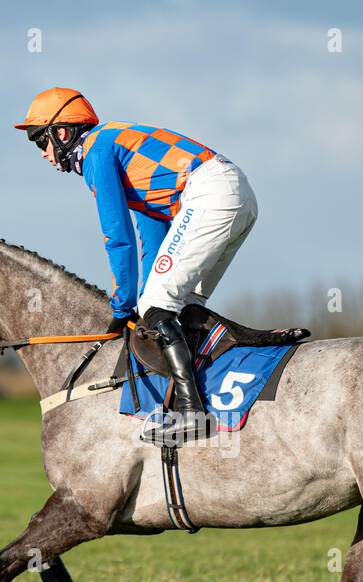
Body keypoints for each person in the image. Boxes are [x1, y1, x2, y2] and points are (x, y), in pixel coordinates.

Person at [14, 87, 259, 444]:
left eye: (41, 142)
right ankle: (204, 397)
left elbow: (118, 237)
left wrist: (123, 303)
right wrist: (140, 304)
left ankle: (192, 414)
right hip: (237, 195)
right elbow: (153, 238)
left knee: (158, 305)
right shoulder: (114, 146)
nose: (43, 154)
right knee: (179, 306)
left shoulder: (96, 152)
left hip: (211, 193)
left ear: (61, 132)